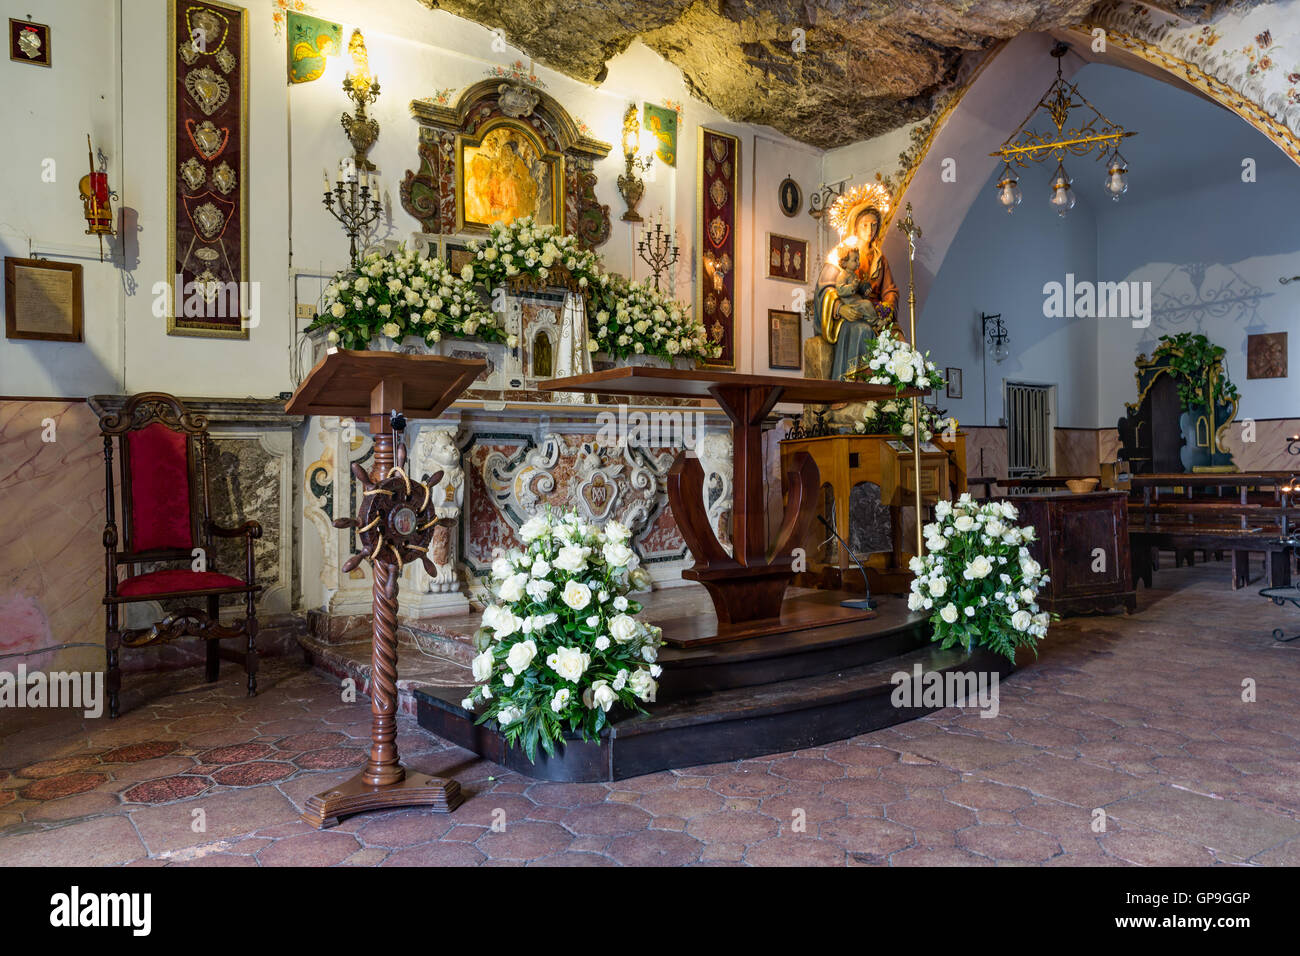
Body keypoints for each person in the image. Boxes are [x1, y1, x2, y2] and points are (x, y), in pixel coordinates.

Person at [812, 203, 900, 380]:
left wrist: (887, 311)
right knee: (862, 330)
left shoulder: (879, 258)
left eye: (874, 225)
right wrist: (839, 309)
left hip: (875, 313)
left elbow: (890, 290)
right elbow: (825, 289)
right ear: (855, 226)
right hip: (849, 313)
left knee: (897, 338)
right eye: (865, 225)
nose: (870, 230)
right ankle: (852, 383)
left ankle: (889, 396)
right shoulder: (842, 255)